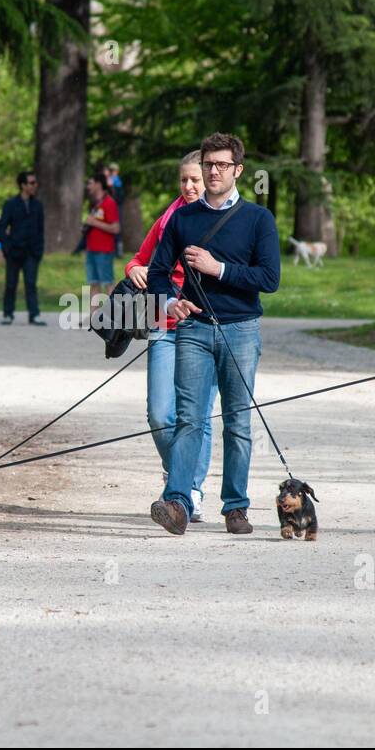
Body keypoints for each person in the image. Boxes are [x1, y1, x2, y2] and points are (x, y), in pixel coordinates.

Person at [146, 132, 281, 535]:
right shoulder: (183, 218)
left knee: (237, 421)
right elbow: (156, 271)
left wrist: (216, 267)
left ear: (238, 170)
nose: (214, 171)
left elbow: (269, 278)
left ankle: (235, 507)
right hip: (193, 330)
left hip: (241, 330)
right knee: (189, 418)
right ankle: (177, 502)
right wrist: (169, 302)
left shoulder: (258, 218)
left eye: (222, 165)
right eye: (208, 165)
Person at [127, 150, 216, 522]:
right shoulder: (169, 218)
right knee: (160, 413)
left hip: (206, 325)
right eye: (184, 180)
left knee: (198, 416)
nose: (190, 186)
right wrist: (134, 269)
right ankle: (176, 472)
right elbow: (139, 257)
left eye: (196, 179)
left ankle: (189, 490)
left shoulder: (224, 217)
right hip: (163, 325)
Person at [0, 170, 46, 326]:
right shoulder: (10, 204)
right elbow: (2, 227)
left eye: (35, 182)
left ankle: (34, 314)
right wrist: (7, 248)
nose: (34, 186)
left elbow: (41, 230)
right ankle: (8, 313)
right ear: (23, 185)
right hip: (14, 251)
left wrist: (39, 250)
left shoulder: (38, 205)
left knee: (31, 284)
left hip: (32, 252)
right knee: (11, 284)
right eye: (31, 183)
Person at [83, 171, 120, 298]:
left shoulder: (109, 203)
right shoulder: (94, 203)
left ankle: (114, 315)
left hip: (104, 251)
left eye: (90, 183)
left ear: (98, 184)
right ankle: (94, 316)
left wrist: (94, 222)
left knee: (108, 283)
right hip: (91, 249)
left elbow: (115, 228)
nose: (88, 186)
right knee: (93, 283)